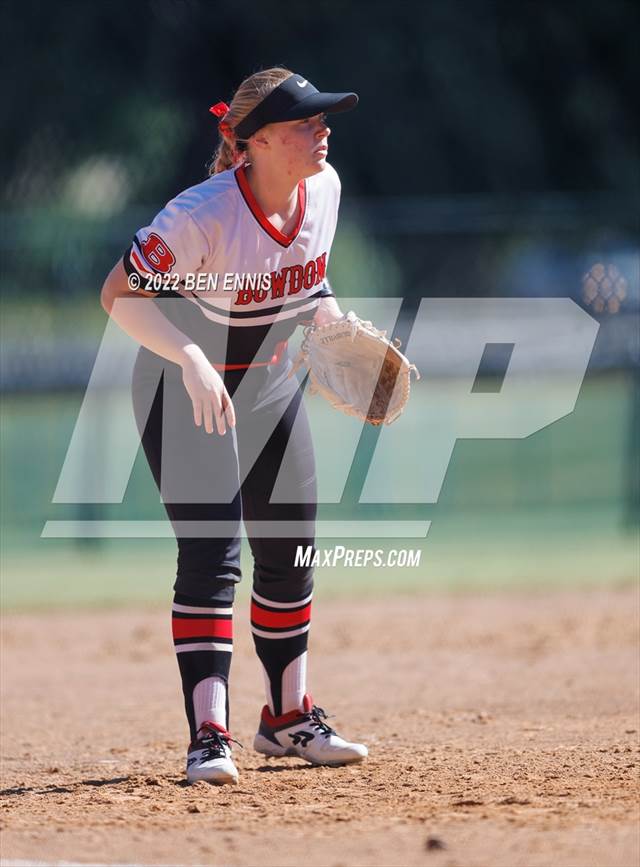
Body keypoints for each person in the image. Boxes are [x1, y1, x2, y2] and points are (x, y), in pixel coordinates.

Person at [100, 67, 368, 785]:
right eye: (307, 121)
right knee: (213, 556)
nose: (323, 129)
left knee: (292, 548)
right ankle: (208, 734)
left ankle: (287, 719)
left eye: (321, 118)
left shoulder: (326, 190)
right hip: (181, 384)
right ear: (258, 142)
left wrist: (334, 326)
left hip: (267, 381)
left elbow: (310, 280)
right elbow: (118, 292)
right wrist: (187, 356)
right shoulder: (202, 216)